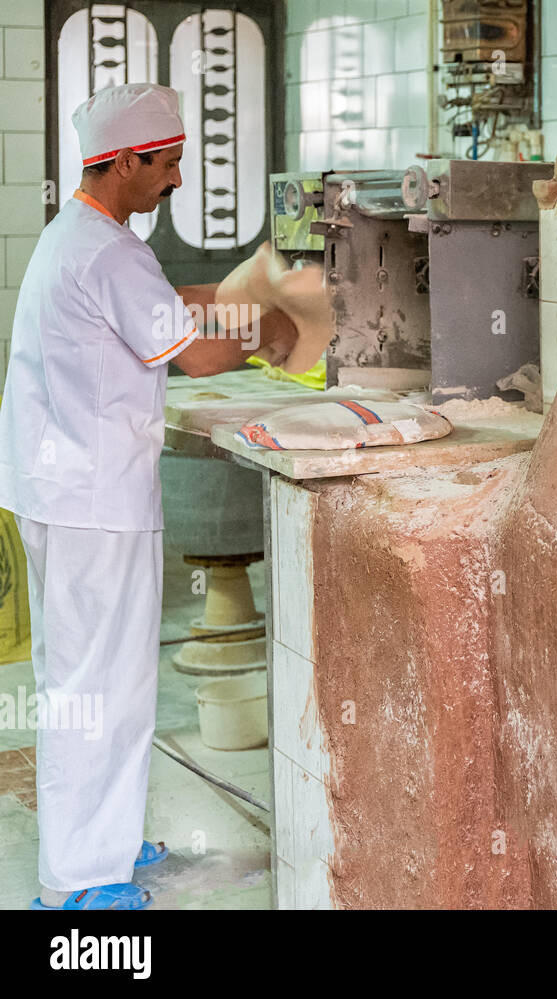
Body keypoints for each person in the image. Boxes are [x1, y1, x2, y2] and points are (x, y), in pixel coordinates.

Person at [0, 83, 298, 910]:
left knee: (103, 676)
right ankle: (77, 881)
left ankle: (103, 837)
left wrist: (247, 296)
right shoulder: (109, 253)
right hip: (91, 498)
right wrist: (271, 334)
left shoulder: (83, 238)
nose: (175, 180)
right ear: (125, 160)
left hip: (65, 488)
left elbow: (173, 307)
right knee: (96, 683)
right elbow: (195, 355)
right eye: (166, 164)